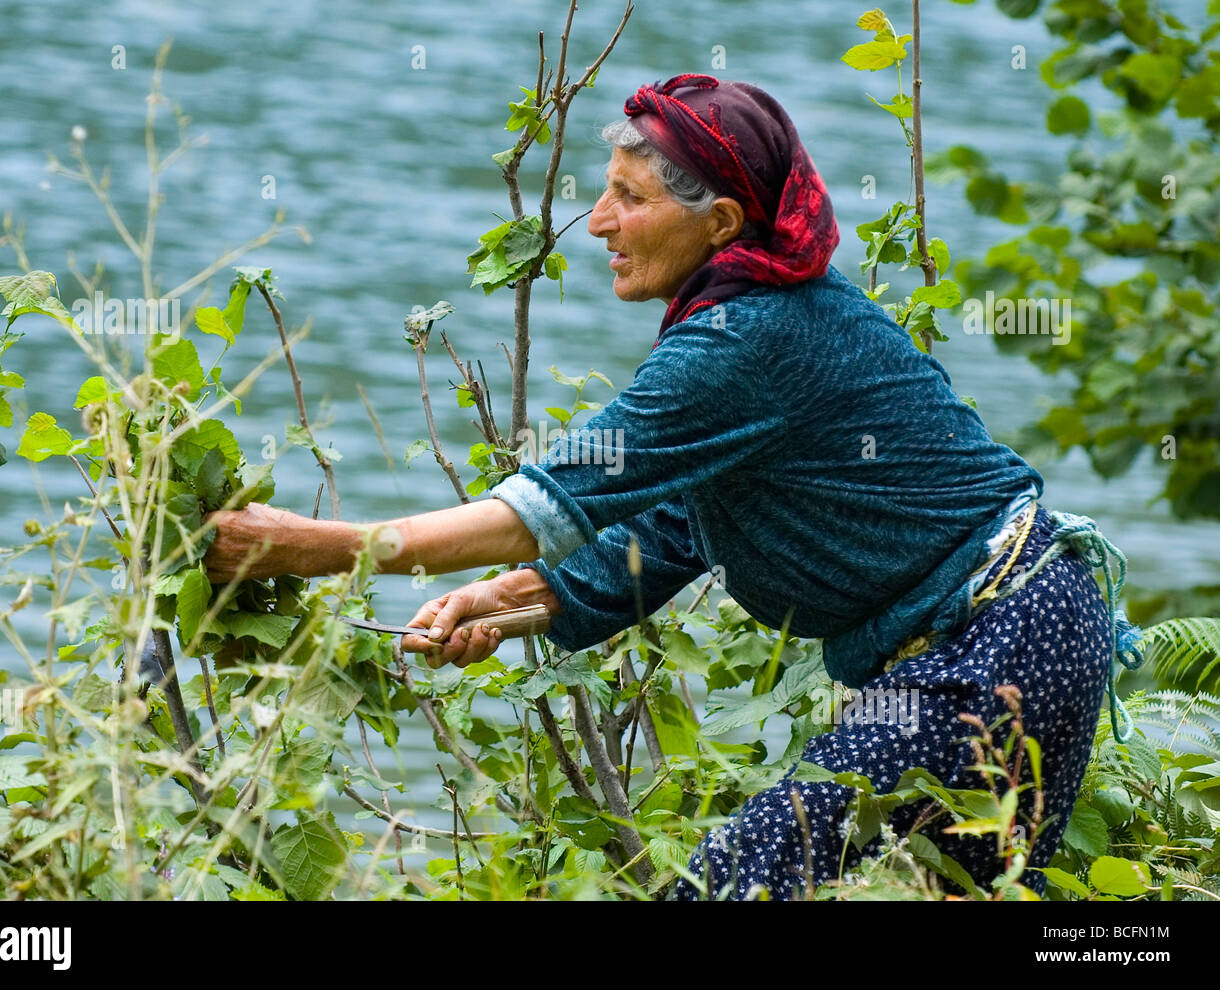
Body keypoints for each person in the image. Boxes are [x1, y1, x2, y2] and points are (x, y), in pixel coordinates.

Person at [204, 74, 1141, 900]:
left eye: (626, 198)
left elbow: (542, 509)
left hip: (993, 644)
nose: (599, 224)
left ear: (720, 223)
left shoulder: (742, 343)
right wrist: (510, 604)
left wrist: (321, 549)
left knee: (729, 885)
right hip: (1035, 623)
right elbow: (673, 533)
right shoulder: (767, 312)